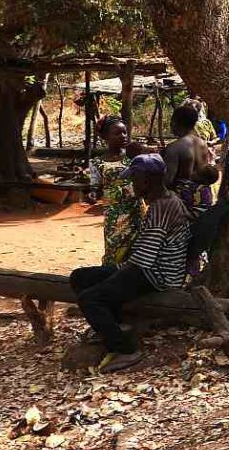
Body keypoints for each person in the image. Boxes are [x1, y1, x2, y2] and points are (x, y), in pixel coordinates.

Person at [68, 154, 191, 371]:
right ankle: (116, 326)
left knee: (90, 299)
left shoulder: (162, 208)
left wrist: (115, 278)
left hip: (157, 275)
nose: (132, 184)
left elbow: (143, 260)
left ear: (147, 180)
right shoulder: (163, 201)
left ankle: (126, 349)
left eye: (134, 179)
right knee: (80, 277)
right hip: (148, 267)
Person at [88, 115, 141, 267]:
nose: (123, 136)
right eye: (117, 133)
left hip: (136, 210)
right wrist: (93, 194)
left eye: (125, 132)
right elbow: (96, 185)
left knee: (137, 247)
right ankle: (111, 274)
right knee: (115, 247)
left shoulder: (133, 157)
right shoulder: (97, 162)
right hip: (114, 214)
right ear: (105, 137)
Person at [163, 102, 217, 211]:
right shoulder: (202, 144)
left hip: (182, 203)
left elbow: (167, 181)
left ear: (175, 122)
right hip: (203, 199)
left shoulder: (174, 148)